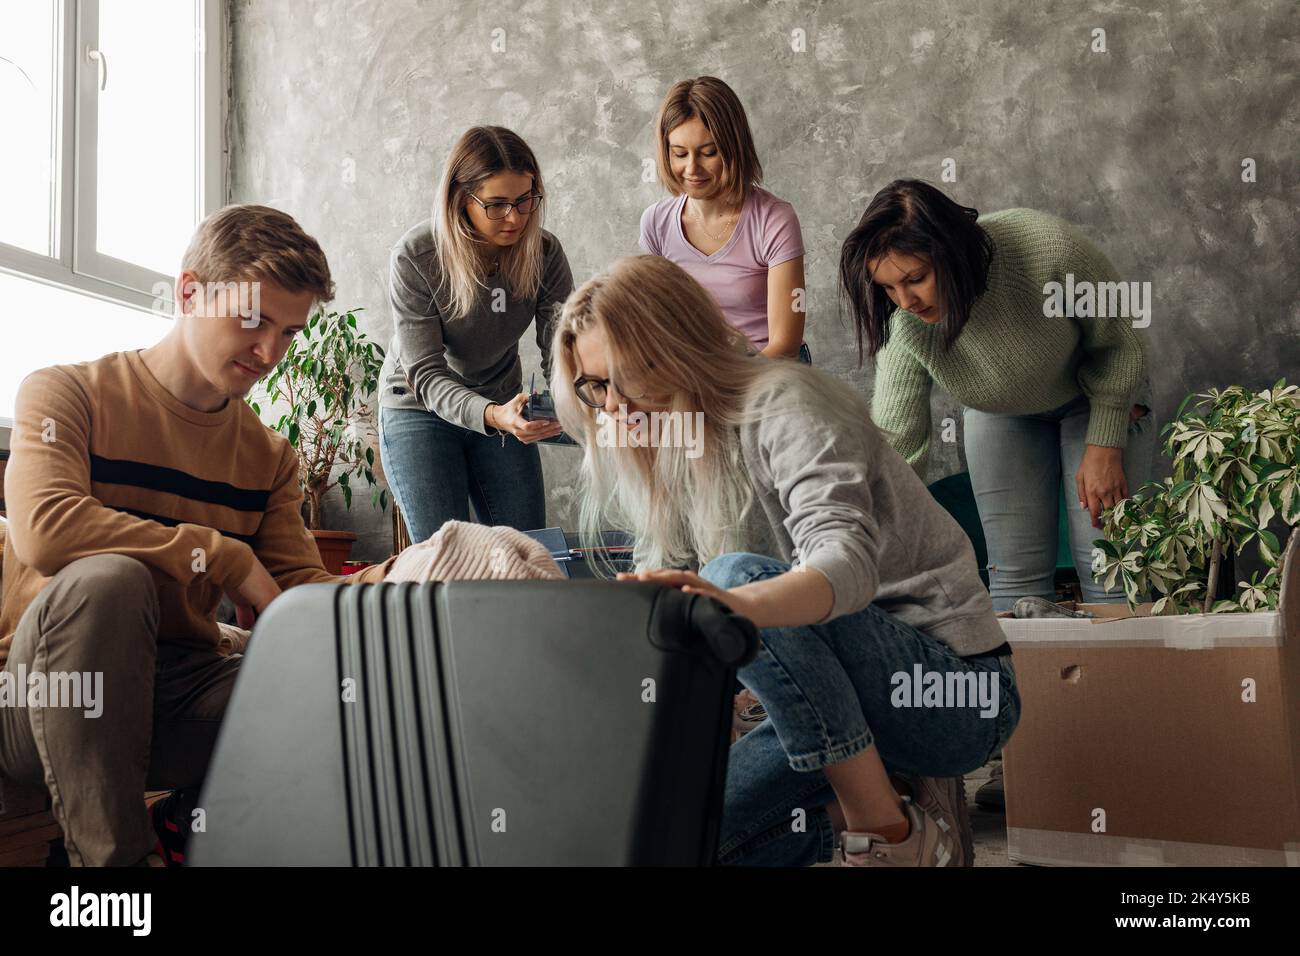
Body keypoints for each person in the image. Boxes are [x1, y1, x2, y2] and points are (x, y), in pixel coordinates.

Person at [550, 255, 1019, 866]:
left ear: (674, 345)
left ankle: (886, 836)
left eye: (620, 379)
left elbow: (845, 564)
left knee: (733, 576)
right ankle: (868, 814)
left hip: (953, 696)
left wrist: (734, 607)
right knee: (648, 834)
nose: (610, 408)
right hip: (822, 712)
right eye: (594, 386)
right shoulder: (675, 442)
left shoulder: (786, 404)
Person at [0, 204, 395, 866]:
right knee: (111, 581)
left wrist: (415, 580)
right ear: (189, 292)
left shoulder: (269, 456)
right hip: (43, 700)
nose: (270, 353)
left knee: (348, 688)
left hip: (178, 696)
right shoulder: (64, 394)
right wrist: (218, 554)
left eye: (290, 334)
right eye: (251, 320)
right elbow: (45, 530)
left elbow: (300, 595)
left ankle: (187, 832)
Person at [841, 180, 1156, 610]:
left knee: (1111, 568)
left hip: (1095, 396)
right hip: (1003, 411)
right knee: (1014, 584)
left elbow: (1118, 344)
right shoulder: (905, 325)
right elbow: (898, 446)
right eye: (889, 287)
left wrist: (1105, 441)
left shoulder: (1047, 249)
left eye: (916, 278)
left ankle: (1130, 677)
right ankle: (1036, 680)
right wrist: (858, 534)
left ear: (951, 251)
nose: (905, 300)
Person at [378, 127, 574, 542]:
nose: (515, 218)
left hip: (502, 403)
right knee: (444, 560)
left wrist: (570, 404)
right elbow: (427, 375)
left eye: (524, 200)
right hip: (418, 410)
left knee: (525, 555)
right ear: (460, 199)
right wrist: (493, 415)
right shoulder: (416, 256)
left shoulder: (545, 253)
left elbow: (562, 349)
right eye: (497, 204)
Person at [638, 76, 809, 362]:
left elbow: (786, 345)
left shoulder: (774, 219)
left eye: (709, 153)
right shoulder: (656, 223)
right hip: (698, 374)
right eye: (679, 154)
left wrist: (720, 386)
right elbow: (655, 326)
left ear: (733, 149)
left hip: (771, 372)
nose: (692, 169)